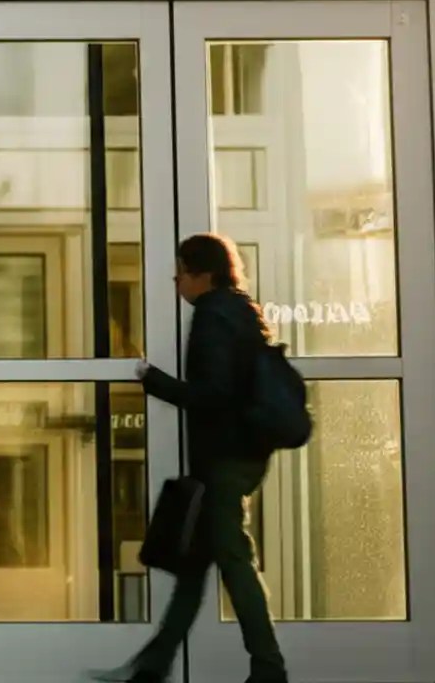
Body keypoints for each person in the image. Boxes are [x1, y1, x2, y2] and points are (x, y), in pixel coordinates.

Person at [94, 233, 288, 683]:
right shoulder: (241, 310)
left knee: (233, 561)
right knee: (193, 568)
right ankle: (152, 667)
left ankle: (268, 668)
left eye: (180, 273)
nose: (177, 282)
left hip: (224, 460)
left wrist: (154, 381)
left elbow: (214, 396)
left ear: (203, 274)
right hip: (240, 455)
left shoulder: (213, 316)